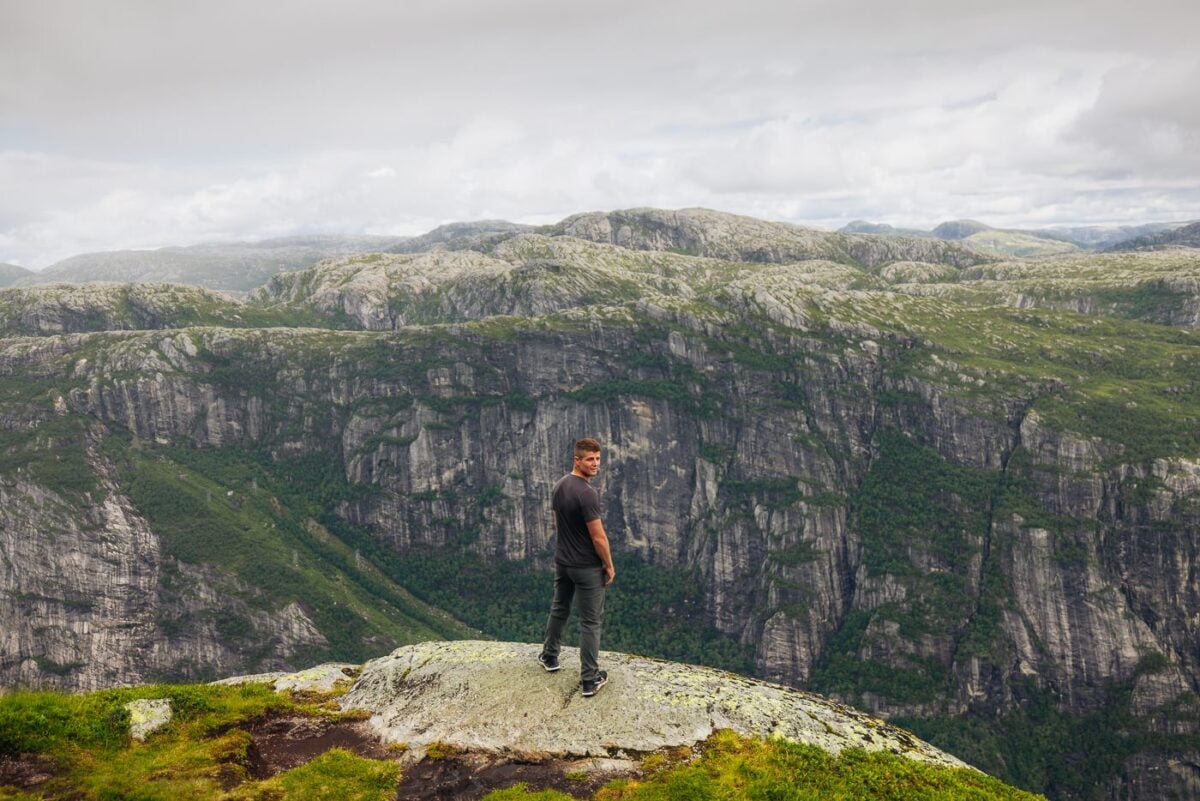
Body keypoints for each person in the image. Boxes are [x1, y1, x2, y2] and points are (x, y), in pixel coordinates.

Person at [538, 437, 616, 697]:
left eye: (597, 459)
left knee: (559, 608)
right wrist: (608, 564)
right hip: (586, 567)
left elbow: (558, 524)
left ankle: (549, 656)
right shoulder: (587, 493)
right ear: (577, 460)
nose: (595, 464)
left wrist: (567, 548)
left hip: (563, 562)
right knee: (591, 622)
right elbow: (598, 536)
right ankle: (590, 679)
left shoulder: (560, 485)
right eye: (590, 460)